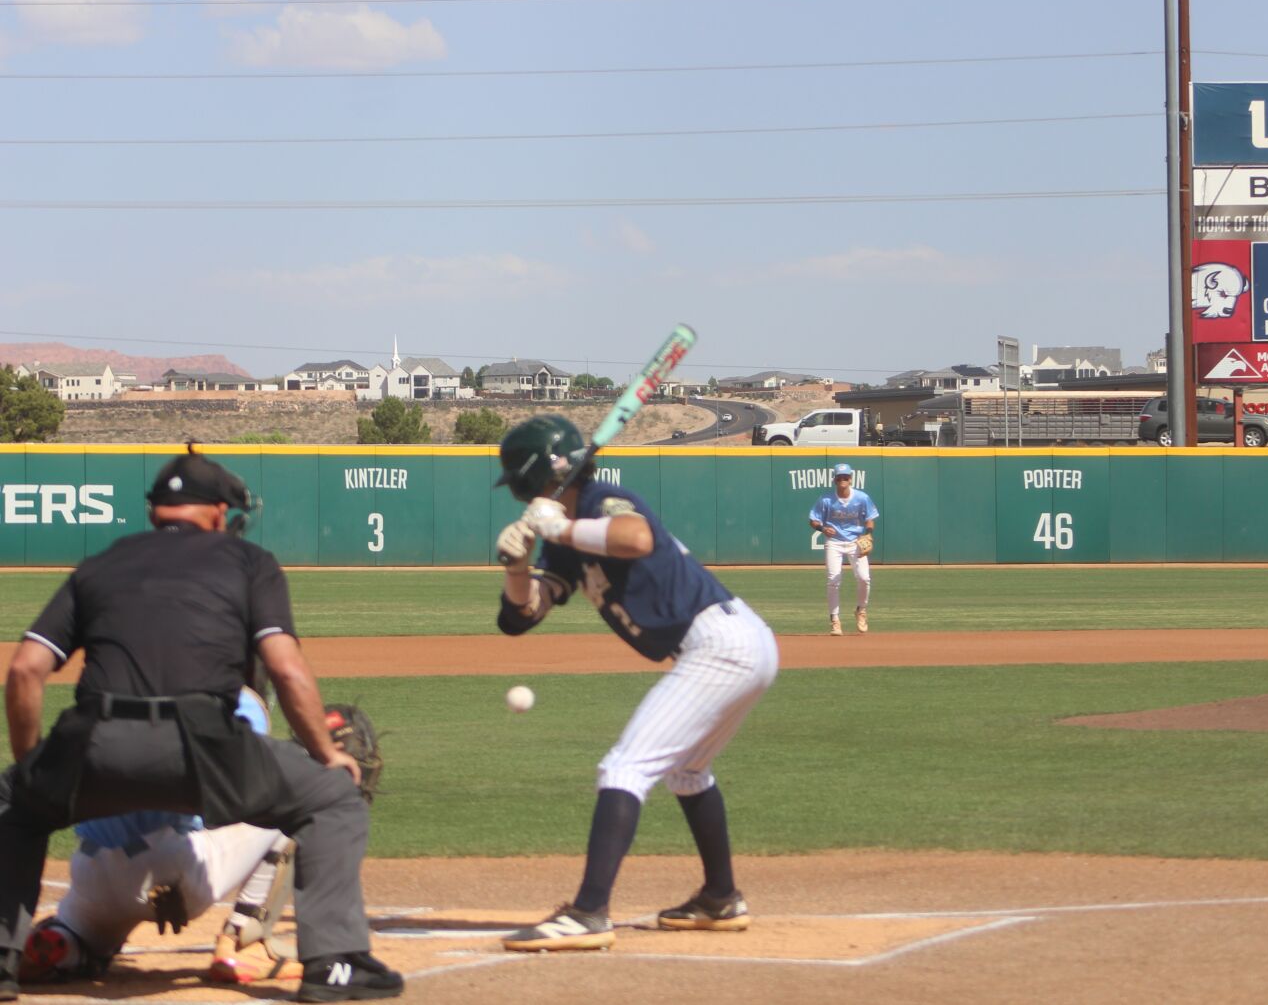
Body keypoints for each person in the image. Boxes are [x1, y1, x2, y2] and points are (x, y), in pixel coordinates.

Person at [0, 448, 401, 1002]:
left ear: (153, 513)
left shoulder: (100, 564)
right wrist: (326, 755)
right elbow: (285, 667)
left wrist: (32, 771)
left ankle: (10, 956)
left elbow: (24, 670)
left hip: (96, 743)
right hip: (199, 751)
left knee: (11, 804)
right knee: (329, 795)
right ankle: (324, 963)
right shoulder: (247, 561)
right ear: (217, 513)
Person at [491, 415, 778, 952]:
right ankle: (721, 898)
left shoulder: (604, 499)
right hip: (738, 643)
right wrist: (517, 568)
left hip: (721, 643)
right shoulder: (566, 543)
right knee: (688, 772)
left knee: (625, 766)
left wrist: (560, 528)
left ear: (532, 480)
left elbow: (637, 537)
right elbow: (521, 618)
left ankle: (589, 912)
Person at [20, 689, 303, 986]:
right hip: (170, 874)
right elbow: (242, 791)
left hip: (90, 869)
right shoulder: (236, 702)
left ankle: (66, 939)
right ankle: (246, 942)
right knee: (292, 793)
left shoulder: (106, 692)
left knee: (87, 932)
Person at [808, 463, 879, 636]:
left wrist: (868, 534)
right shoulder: (826, 500)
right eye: (839, 477)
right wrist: (822, 529)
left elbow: (870, 518)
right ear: (834, 479)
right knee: (833, 580)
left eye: (846, 477)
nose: (843, 480)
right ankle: (835, 620)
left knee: (864, 578)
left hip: (856, 541)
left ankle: (861, 610)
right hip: (834, 542)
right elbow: (813, 520)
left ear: (850, 478)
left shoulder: (862, 498)